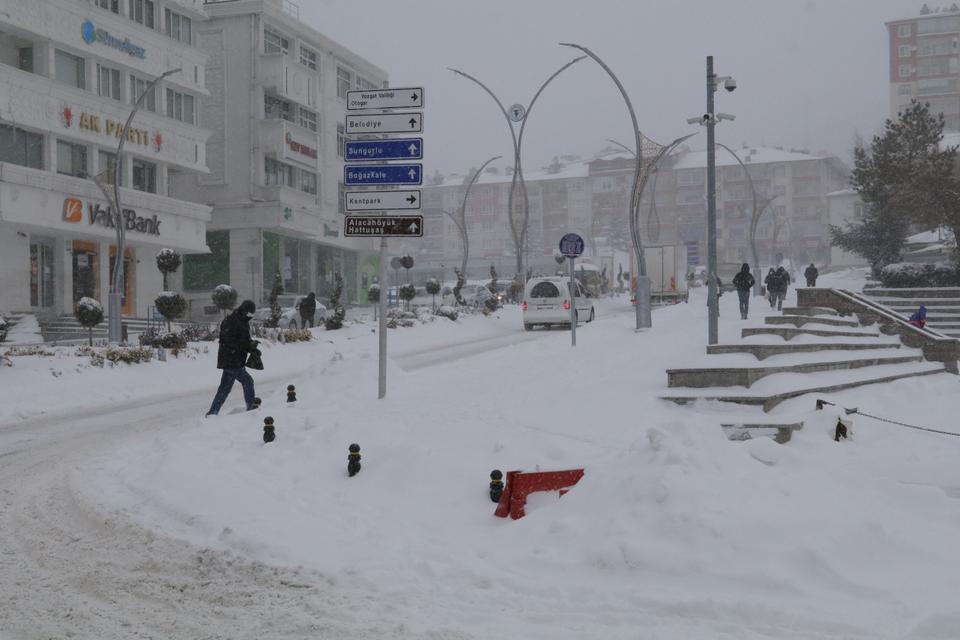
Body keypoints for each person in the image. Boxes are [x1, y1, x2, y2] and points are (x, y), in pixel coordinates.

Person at [206, 299, 258, 416]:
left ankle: (213, 413)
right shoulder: (233, 321)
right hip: (232, 360)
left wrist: (251, 345)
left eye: (252, 315)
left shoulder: (241, 320)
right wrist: (246, 345)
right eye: (249, 314)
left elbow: (243, 339)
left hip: (235, 360)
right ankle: (250, 407)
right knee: (247, 382)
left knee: (225, 388)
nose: (250, 317)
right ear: (245, 311)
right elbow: (228, 340)